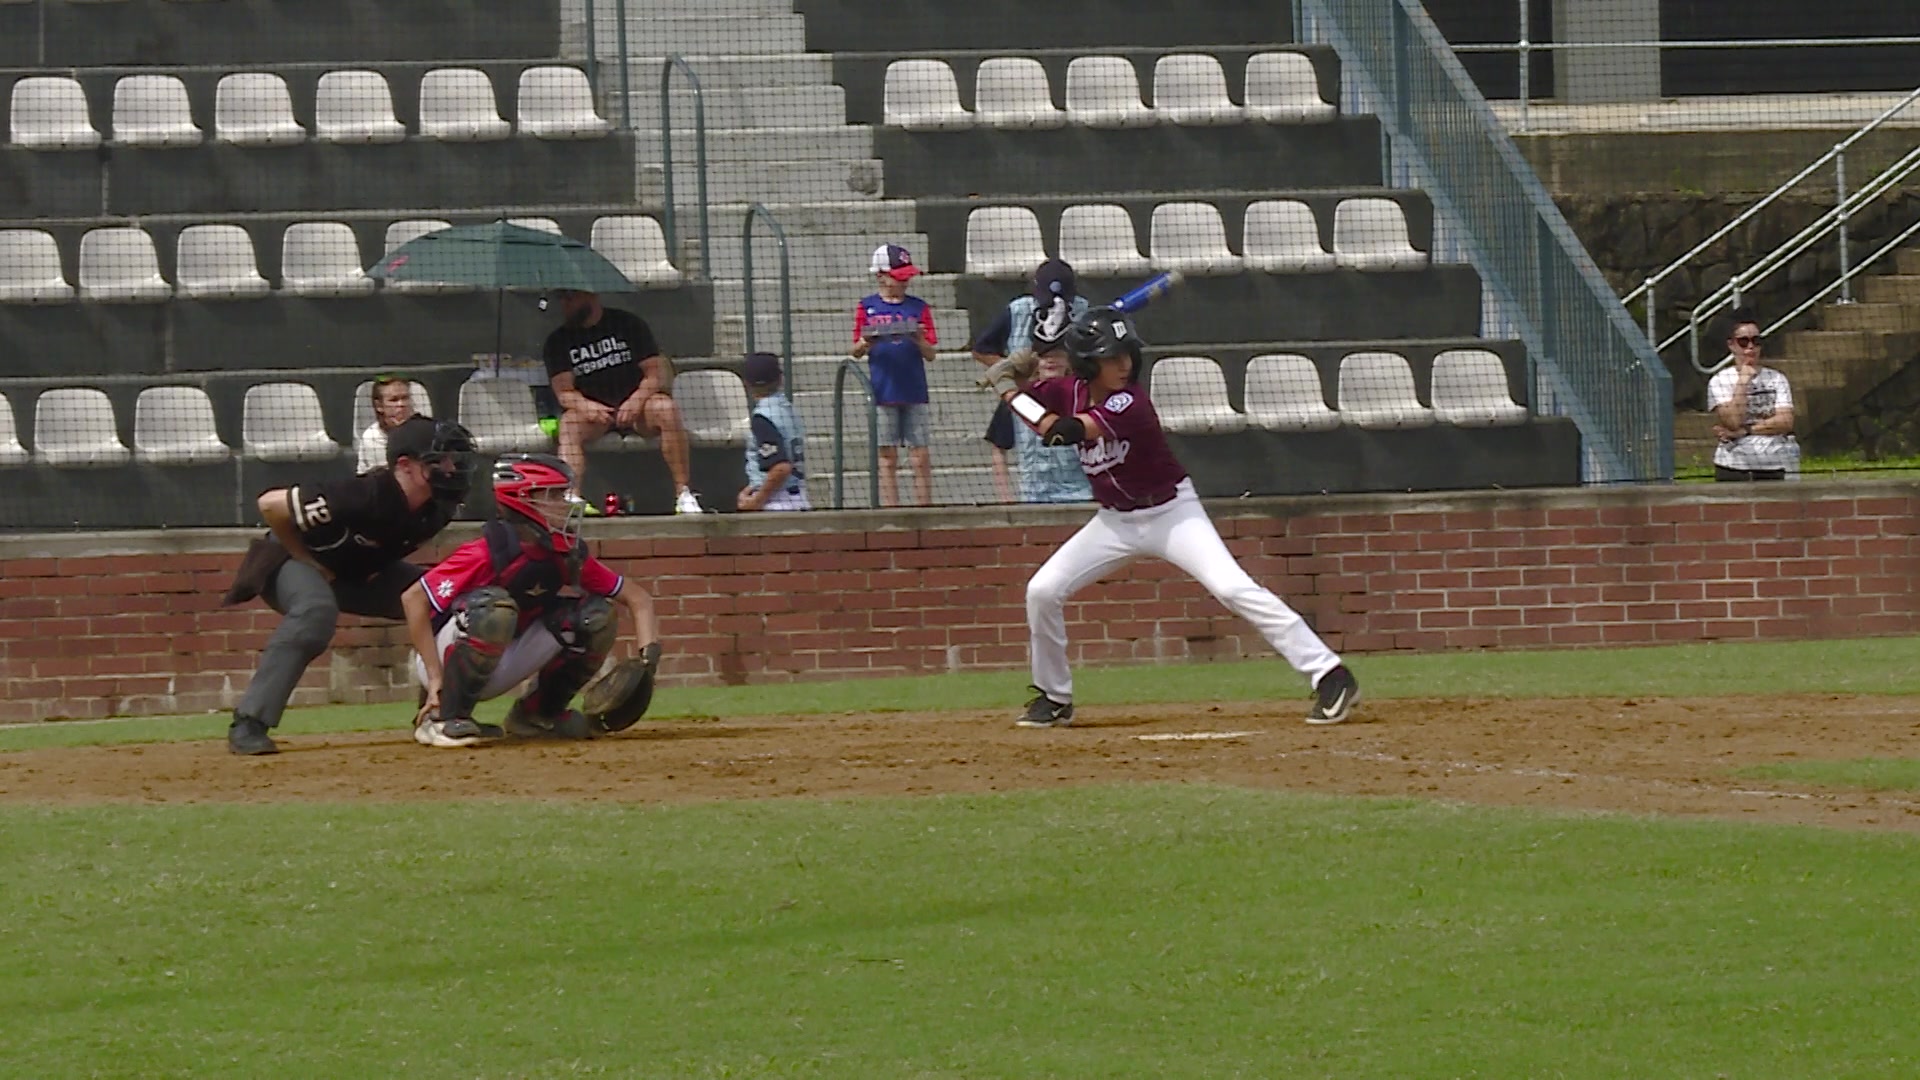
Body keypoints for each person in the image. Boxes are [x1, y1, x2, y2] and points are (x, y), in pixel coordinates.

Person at [981, 306, 1359, 728]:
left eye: (1125, 354)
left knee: (1232, 588)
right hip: (1115, 521)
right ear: (1088, 364)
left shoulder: (1131, 402)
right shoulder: (1067, 389)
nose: (1123, 365)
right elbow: (1032, 402)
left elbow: (1057, 430)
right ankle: (1054, 696)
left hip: (1171, 513)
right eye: (1110, 358)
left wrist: (1009, 391)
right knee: (1042, 591)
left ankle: (1331, 674)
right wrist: (1017, 372)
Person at [220, 417, 477, 755]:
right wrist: (307, 560)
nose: (450, 467)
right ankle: (250, 721)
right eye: (438, 460)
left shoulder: (438, 508)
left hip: (356, 573)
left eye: (452, 459)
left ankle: (438, 712)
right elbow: (270, 504)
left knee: (447, 600)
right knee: (316, 611)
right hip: (291, 560)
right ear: (405, 466)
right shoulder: (365, 494)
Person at [401, 454, 661, 748]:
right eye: (554, 495)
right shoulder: (485, 552)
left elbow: (638, 598)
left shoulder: (564, 553)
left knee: (596, 615)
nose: (566, 503)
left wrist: (648, 661)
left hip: (505, 652)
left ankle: (536, 716)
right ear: (522, 499)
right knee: (494, 609)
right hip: (442, 658)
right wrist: (434, 679)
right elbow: (414, 600)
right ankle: (442, 717)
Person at [542, 289, 706, 514]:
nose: (565, 306)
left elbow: (655, 374)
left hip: (638, 408)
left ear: (590, 297)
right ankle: (572, 495)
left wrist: (635, 401)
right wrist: (585, 406)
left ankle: (684, 493)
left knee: (666, 409)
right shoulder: (557, 341)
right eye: (562, 300)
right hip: (596, 413)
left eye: (570, 299)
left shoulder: (628, 324)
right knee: (568, 424)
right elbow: (564, 392)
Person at [973, 261, 1095, 505]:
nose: (1050, 360)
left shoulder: (1083, 397)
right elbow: (981, 349)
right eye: (1044, 355)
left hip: (1084, 496)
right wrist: (1012, 372)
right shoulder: (1017, 311)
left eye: (1056, 354)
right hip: (1036, 496)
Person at [850, 243, 937, 507]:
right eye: (899, 278)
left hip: (914, 389)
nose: (904, 283)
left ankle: (925, 507)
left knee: (919, 455)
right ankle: (891, 508)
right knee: (887, 456)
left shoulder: (919, 307)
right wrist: (868, 342)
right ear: (881, 276)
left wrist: (918, 338)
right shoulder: (867, 307)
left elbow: (931, 353)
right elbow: (855, 350)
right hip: (882, 391)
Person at [1707, 308, 1799, 482]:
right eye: (1743, 341)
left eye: (1756, 341)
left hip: (1774, 464)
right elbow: (1732, 421)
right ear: (1731, 344)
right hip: (1734, 464)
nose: (1750, 347)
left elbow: (1785, 421)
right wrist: (1743, 381)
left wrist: (1745, 431)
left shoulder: (1777, 378)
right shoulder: (1719, 380)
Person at [737, 351, 810, 512]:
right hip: (798, 498)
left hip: (776, 503)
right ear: (779, 379)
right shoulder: (787, 409)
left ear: (746, 384)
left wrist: (757, 499)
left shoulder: (762, 417)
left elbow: (781, 468)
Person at [355, 375, 416, 475]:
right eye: (393, 400)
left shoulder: (421, 430)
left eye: (405, 398)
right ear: (379, 406)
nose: (401, 404)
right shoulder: (372, 437)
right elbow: (396, 475)